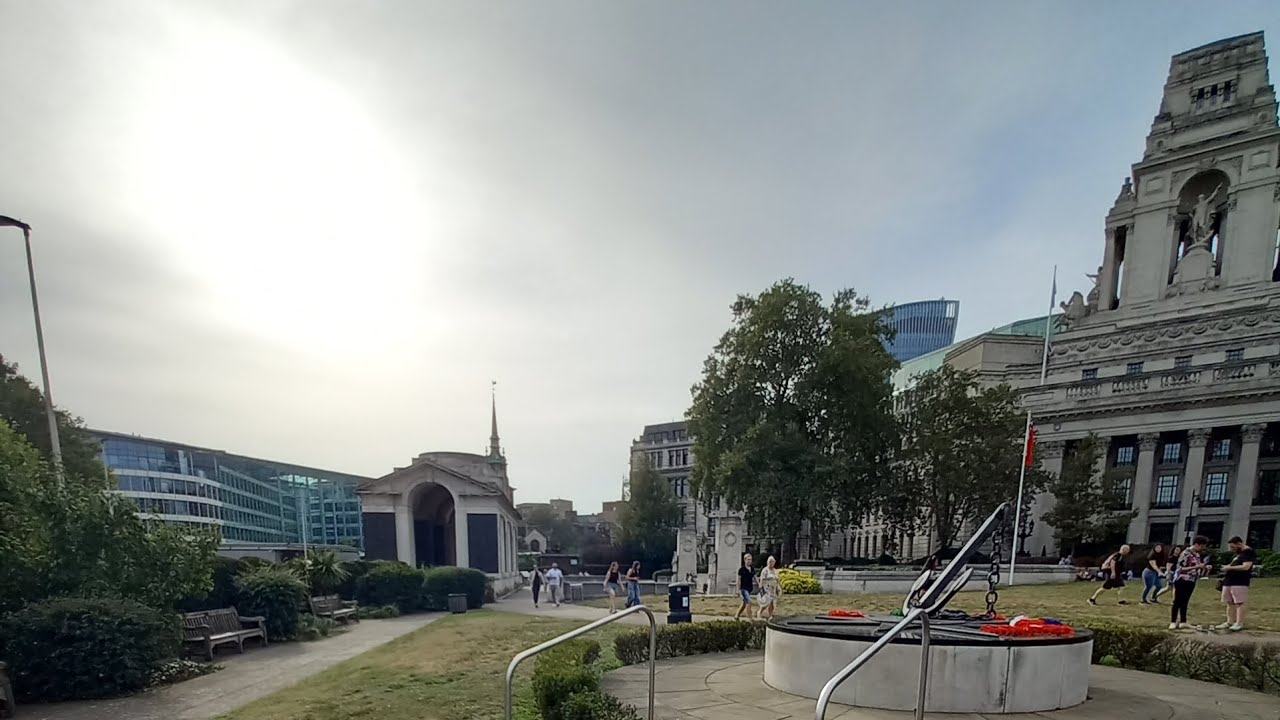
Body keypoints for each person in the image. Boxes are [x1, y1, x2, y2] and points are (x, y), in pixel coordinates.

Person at [1169, 536, 1211, 630]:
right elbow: (1180, 568)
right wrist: (1196, 567)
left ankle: (1183, 621)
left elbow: (1198, 566)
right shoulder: (1185, 553)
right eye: (1201, 546)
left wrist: (1204, 567)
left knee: (1185, 601)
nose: (1202, 549)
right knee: (1177, 601)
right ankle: (1173, 621)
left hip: (1191, 580)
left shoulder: (1196, 554)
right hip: (1182, 579)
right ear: (1196, 544)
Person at [1216, 536, 1256, 632]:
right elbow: (1234, 564)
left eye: (1233, 547)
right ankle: (1229, 621)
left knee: (1239, 602)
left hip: (1240, 581)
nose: (1232, 549)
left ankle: (1239, 622)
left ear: (1239, 544)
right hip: (1229, 580)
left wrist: (1229, 568)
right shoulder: (1239, 554)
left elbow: (1246, 567)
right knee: (1229, 602)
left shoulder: (1248, 552)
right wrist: (1226, 567)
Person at [757, 556, 783, 620]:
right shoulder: (765, 570)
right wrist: (761, 589)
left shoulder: (775, 571)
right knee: (766, 603)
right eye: (770, 562)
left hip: (773, 589)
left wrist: (778, 588)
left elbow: (777, 581)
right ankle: (759, 612)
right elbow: (762, 580)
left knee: (772, 603)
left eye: (772, 562)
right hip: (766, 589)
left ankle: (770, 615)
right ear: (767, 562)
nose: (771, 563)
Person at [734, 553, 756, 621]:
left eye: (750, 559)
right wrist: (738, 590)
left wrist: (760, 584)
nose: (749, 561)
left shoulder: (752, 569)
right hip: (744, 589)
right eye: (748, 559)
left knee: (744, 603)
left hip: (749, 588)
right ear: (745, 560)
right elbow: (739, 580)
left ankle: (736, 616)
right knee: (748, 602)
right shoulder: (741, 569)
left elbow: (755, 577)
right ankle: (751, 618)